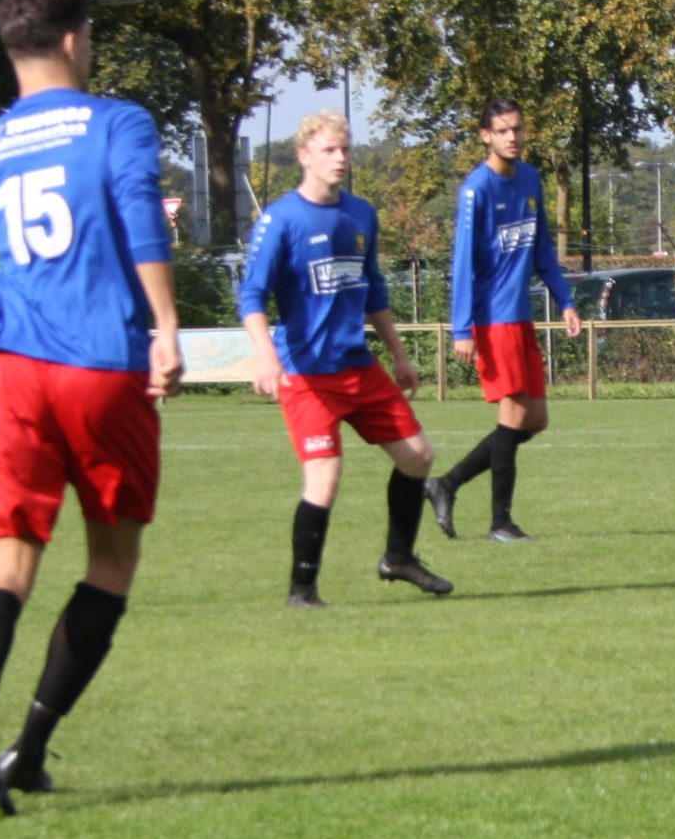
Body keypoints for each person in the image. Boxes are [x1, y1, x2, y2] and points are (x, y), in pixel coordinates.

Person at [0, 0, 183, 819]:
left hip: (13, 363)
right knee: (111, 562)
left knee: (6, 560)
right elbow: (138, 219)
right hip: (98, 358)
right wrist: (165, 323)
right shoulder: (117, 121)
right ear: (75, 40)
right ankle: (31, 747)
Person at [239, 113, 454, 607]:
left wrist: (398, 355)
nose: (341, 158)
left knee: (418, 455)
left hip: (358, 367)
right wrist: (265, 357)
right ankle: (303, 590)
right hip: (306, 374)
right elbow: (251, 295)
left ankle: (398, 558)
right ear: (304, 156)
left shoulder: (361, 214)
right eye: (331, 150)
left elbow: (373, 289)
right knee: (325, 477)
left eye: (346, 149)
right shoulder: (281, 220)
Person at [427, 100, 582, 542]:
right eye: (502, 130)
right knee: (513, 415)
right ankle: (500, 522)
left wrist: (565, 300)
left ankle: (446, 484)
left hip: (522, 317)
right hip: (493, 320)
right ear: (485, 136)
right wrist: (462, 327)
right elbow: (462, 264)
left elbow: (543, 251)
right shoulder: (477, 189)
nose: (512, 137)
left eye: (516, 128)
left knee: (535, 421)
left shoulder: (532, 179)